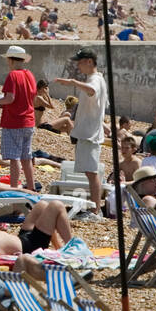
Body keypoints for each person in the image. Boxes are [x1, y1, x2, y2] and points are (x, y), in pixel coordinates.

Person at [51, 48, 107, 213]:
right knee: (90, 173)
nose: (78, 66)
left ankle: (96, 210)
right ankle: (95, 208)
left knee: (92, 173)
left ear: (89, 61)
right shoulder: (96, 79)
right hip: (88, 133)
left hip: (90, 135)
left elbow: (92, 91)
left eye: (80, 62)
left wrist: (73, 83)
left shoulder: (95, 80)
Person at [0, 45, 37, 191]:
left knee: (14, 159)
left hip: (14, 121)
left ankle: (15, 190)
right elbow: (29, 97)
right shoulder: (30, 75)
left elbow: (10, 98)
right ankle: (31, 187)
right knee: (26, 158)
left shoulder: (13, 75)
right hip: (29, 120)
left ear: (10, 60)